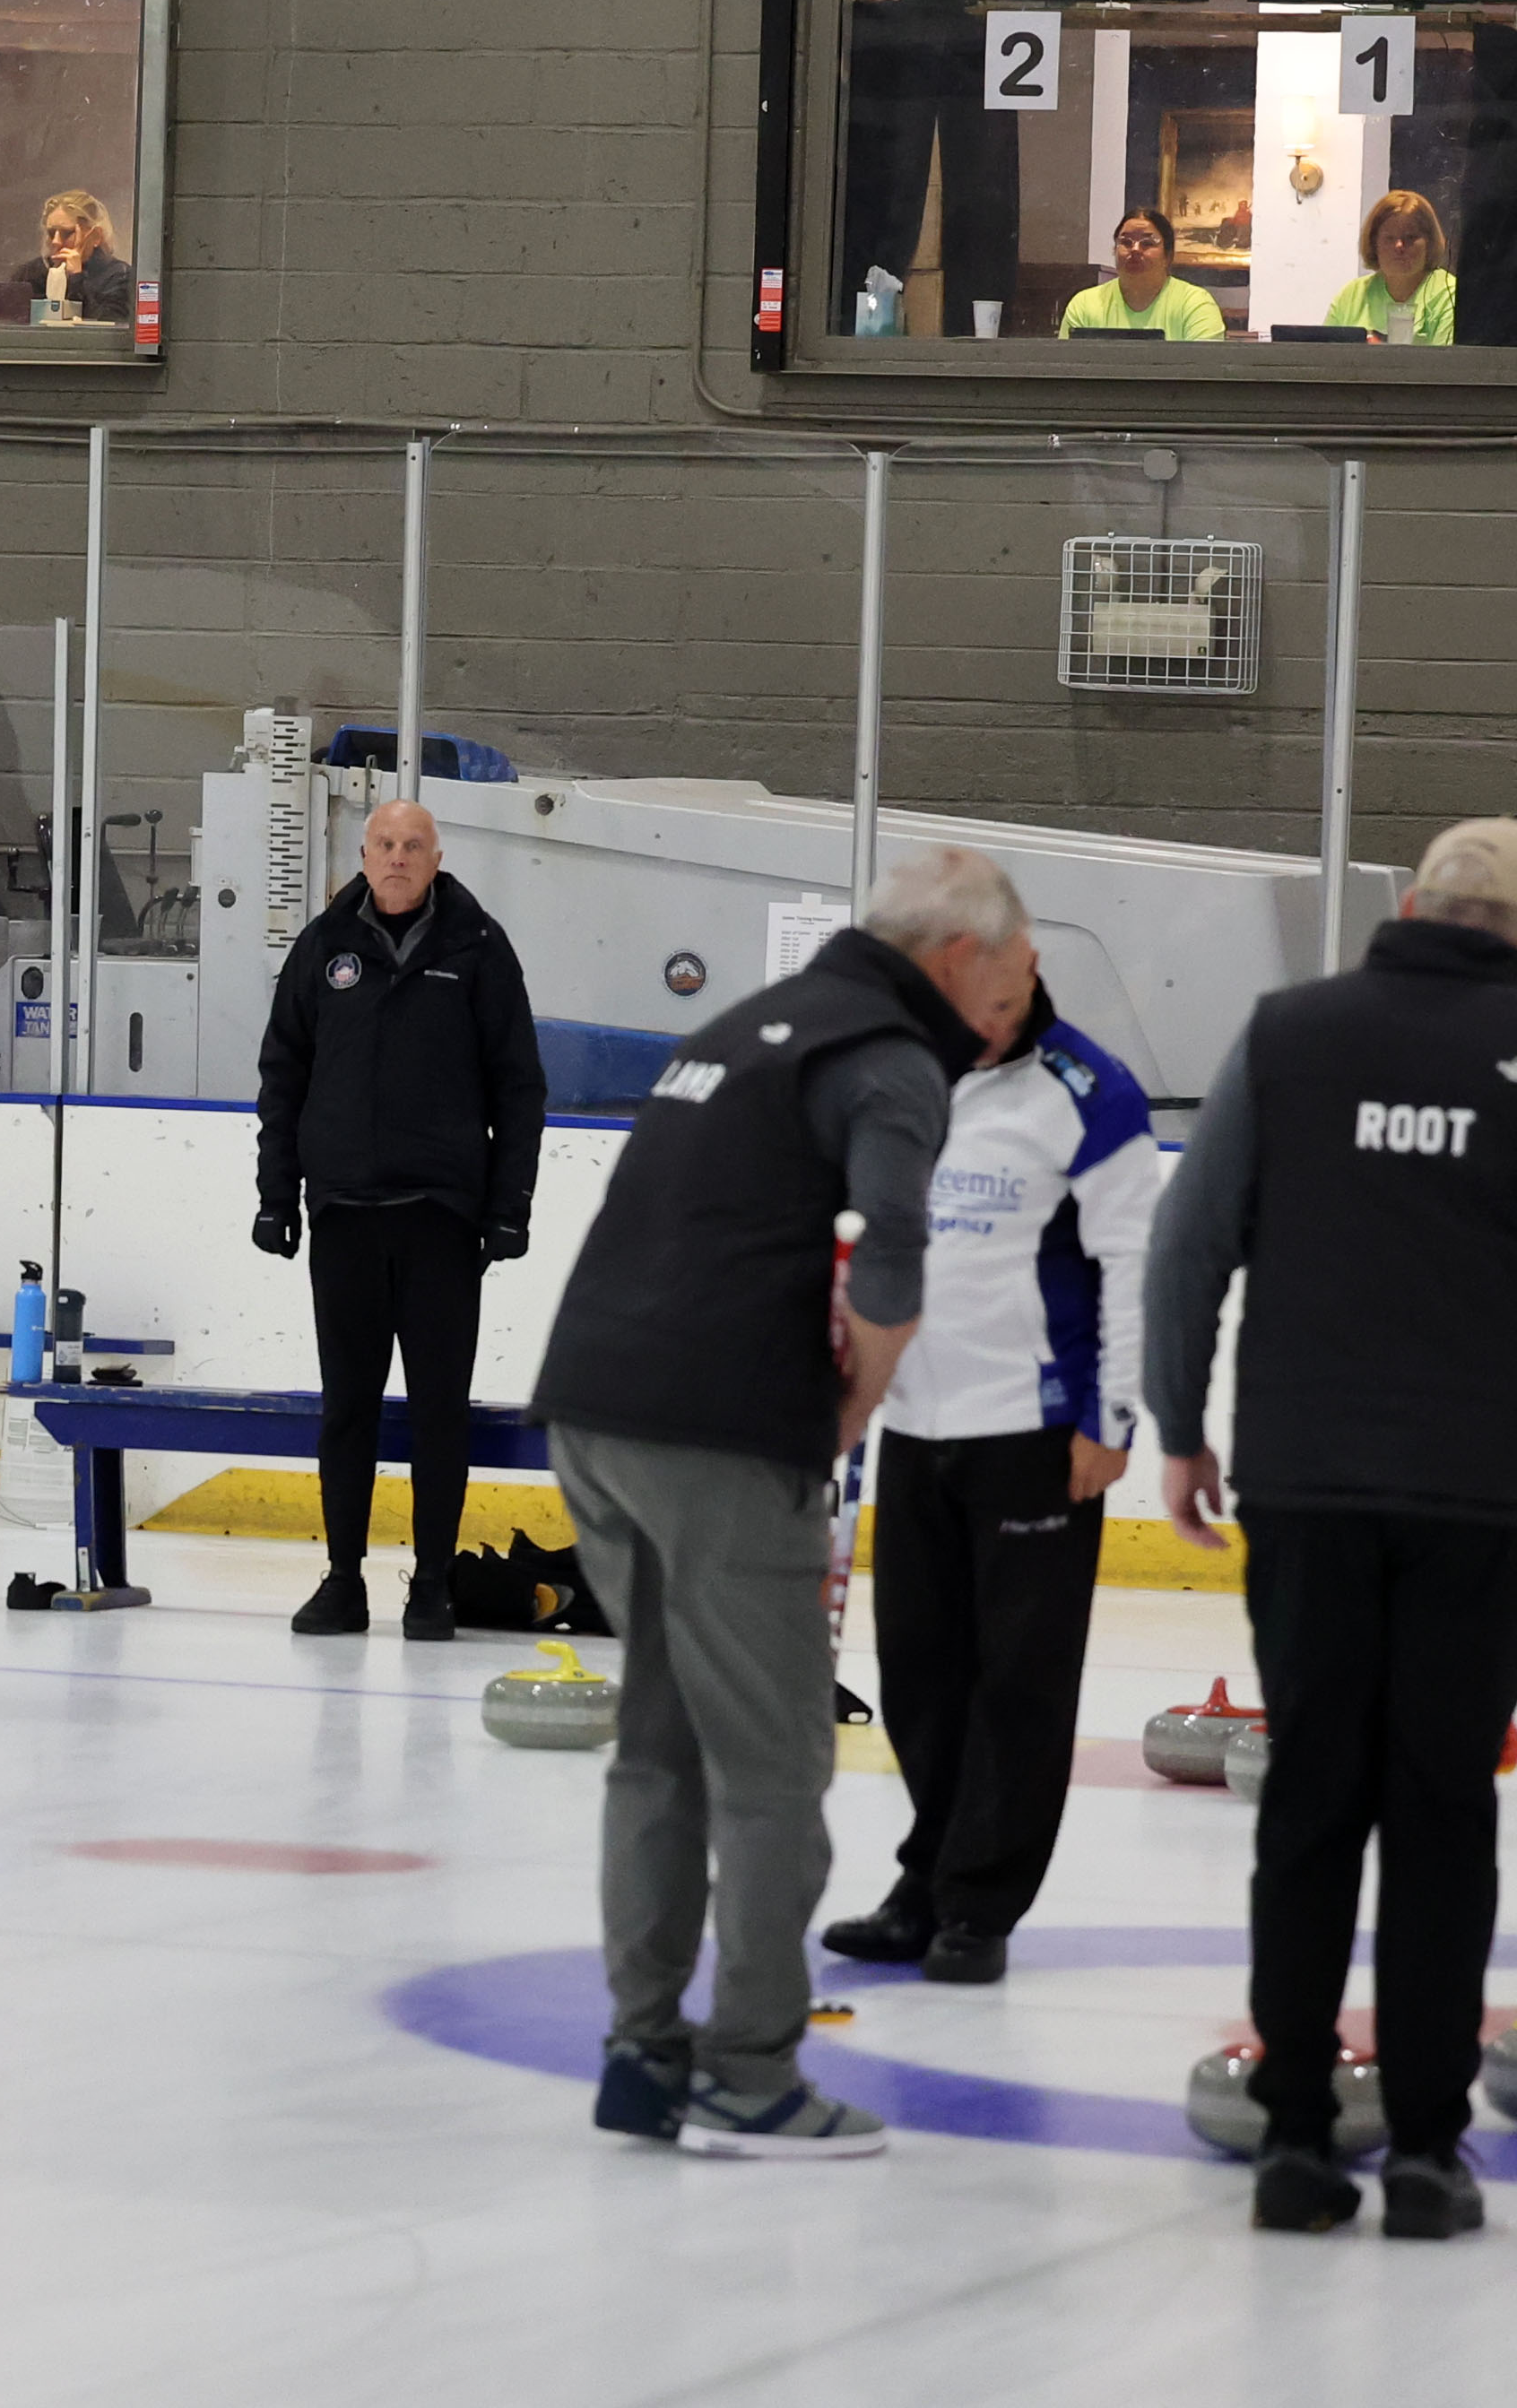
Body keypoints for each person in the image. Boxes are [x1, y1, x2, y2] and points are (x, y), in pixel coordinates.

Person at [1146, 818, 1517, 2241]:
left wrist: (1183, 1427)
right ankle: (1430, 2155)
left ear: (1406, 907)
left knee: (1315, 1800)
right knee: (1442, 1812)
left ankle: (1292, 2141)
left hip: (1308, 1481)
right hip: (1489, 1492)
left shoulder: (1285, 1036)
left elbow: (1188, 1244)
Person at [529, 845, 1032, 2161]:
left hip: (592, 1405)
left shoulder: (749, 1024)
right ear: (957, 957)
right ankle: (749, 2068)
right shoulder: (892, 1057)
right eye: (1015, 975)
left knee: (659, 1743)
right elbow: (895, 1257)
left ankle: (643, 2053)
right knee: (773, 1766)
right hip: (720, 1435)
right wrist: (856, 1405)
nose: (1016, 1008)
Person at [818, 966, 1161, 1987]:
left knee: (1017, 1682)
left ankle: (979, 1904)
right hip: (917, 1419)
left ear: (1031, 985)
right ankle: (927, 1876)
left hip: (1038, 1430)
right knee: (920, 1673)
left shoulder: (1087, 1091)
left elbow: (1135, 1264)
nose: (983, 1024)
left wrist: (1113, 1418)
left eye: (1001, 1006)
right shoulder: (901, 1075)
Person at [252, 797, 550, 1640]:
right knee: (347, 1406)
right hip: (343, 1214)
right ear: (363, 851)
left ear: (436, 855)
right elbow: (283, 1076)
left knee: (437, 1411)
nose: (396, 858)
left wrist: (507, 1208)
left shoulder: (479, 949)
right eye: (384, 843)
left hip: (441, 1222)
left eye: (412, 845)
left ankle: (430, 1586)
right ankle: (343, 1578)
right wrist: (279, 1197)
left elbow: (519, 1087)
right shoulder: (323, 947)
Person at [1057, 205, 1226, 340]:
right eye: (1126, 242)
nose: (1135, 249)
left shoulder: (1195, 305)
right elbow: (1066, 372)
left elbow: (1203, 376)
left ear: (1168, 255)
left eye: (1147, 243)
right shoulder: (1085, 304)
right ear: (1114, 251)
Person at [1324, 188, 1458, 345]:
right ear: (1374, 244)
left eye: (1411, 237)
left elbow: (1447, 366)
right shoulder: (1350, 296)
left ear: (1429, 243)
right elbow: (1323, 360)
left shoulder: (1449, 294)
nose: (1399, 245)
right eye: (1389, 238)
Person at [32, 189, 134, 327]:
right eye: (51, 233)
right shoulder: (33, 273)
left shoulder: (119, 276)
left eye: (67, 233)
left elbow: (110, 328)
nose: (56, 241)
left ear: (96, 236)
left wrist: (77, 278)